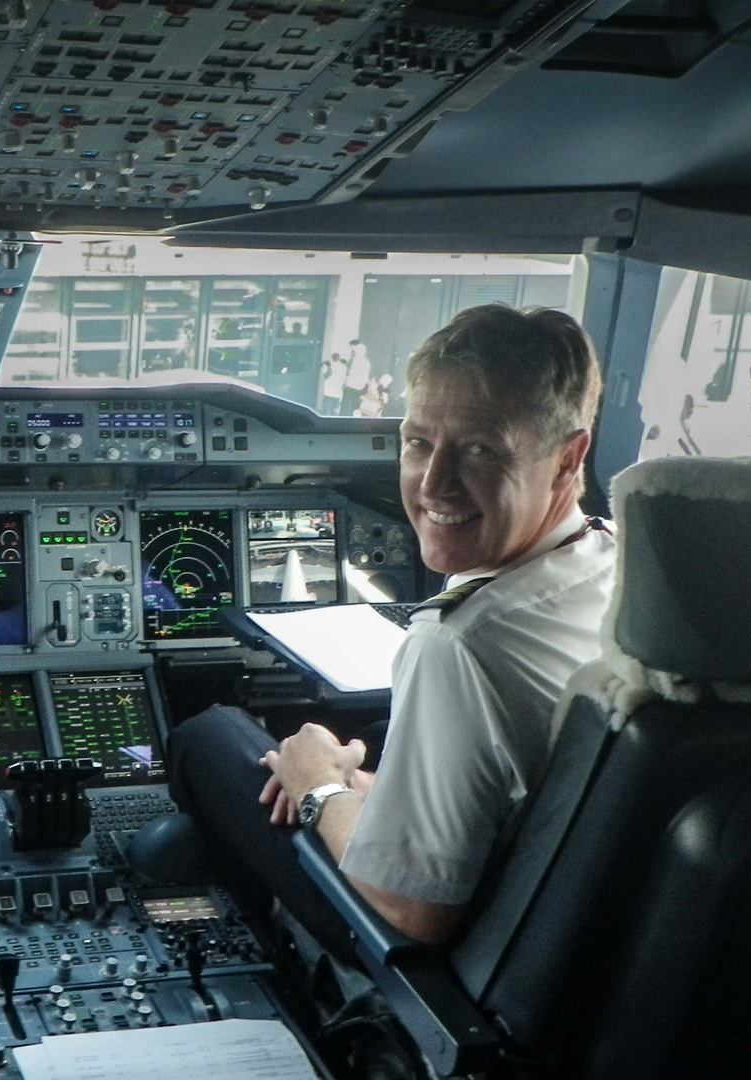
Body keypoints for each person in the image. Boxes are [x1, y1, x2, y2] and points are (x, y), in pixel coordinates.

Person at [166, 303, 614, 949]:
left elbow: (412, 912)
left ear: (569, 459)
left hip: (422, 956)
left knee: (211, 738)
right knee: (370, 736)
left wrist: (318, 786)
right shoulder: (618, 557)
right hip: (546, 885)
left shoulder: (459, 642)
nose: (434, 485)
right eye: (418, 442)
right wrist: (356, 783)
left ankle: (289, 970)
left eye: (481, 450)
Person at [340, 340, 373, 415]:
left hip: (349, 387)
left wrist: (345, 383)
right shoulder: (367, 362)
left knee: (345, 407)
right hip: (359, 388)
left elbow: (349, 373)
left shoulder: (355, 360)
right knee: (354, 408)